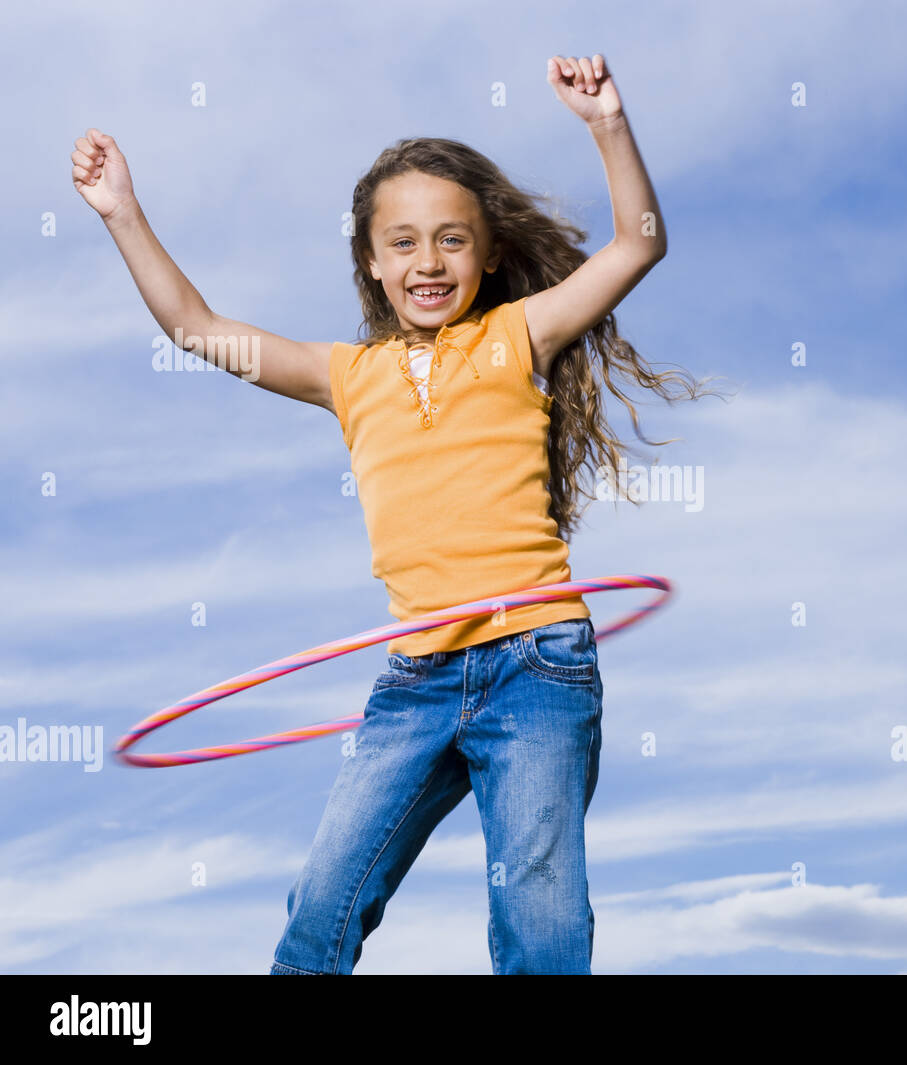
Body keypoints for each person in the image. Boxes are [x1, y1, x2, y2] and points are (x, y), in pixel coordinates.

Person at [72, 53, 729, 974]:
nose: (429, 261)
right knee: (321, 908)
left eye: (453, 240)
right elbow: (194, 327)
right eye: (406, 243)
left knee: (540, 921)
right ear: (372, 263)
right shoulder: (347, 375)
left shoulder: (516, 336)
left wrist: (607, 123)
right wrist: (123, 213)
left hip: (535, 659)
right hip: (413, 675)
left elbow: (638, 245)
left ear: (488, 253)